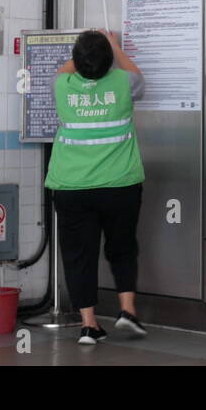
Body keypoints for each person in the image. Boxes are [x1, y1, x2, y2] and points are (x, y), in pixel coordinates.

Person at [45, 29, 149, 345]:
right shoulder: (123, 83)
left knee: (79, 254)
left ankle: (89, 326)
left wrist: (84, 55)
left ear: (78, 60)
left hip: (71, 185)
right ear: (109, 60)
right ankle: (127, 310)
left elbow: (64, 68)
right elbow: (136, 75)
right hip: (120, 184)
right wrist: (114, 44)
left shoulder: (63, 86)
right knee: (122, 246)